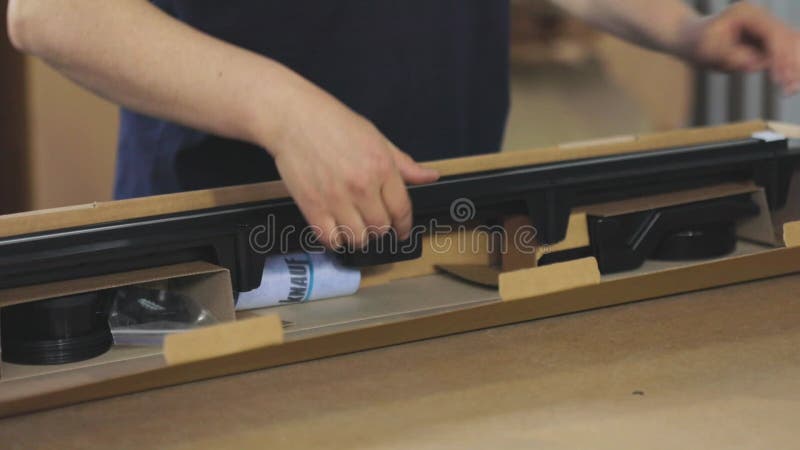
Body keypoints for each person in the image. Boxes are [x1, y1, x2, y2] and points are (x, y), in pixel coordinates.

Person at [7, 0, 800, 249]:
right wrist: (283, 111)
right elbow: (50, 11)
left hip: (451, 236)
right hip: (232, 257)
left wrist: (684, 30)